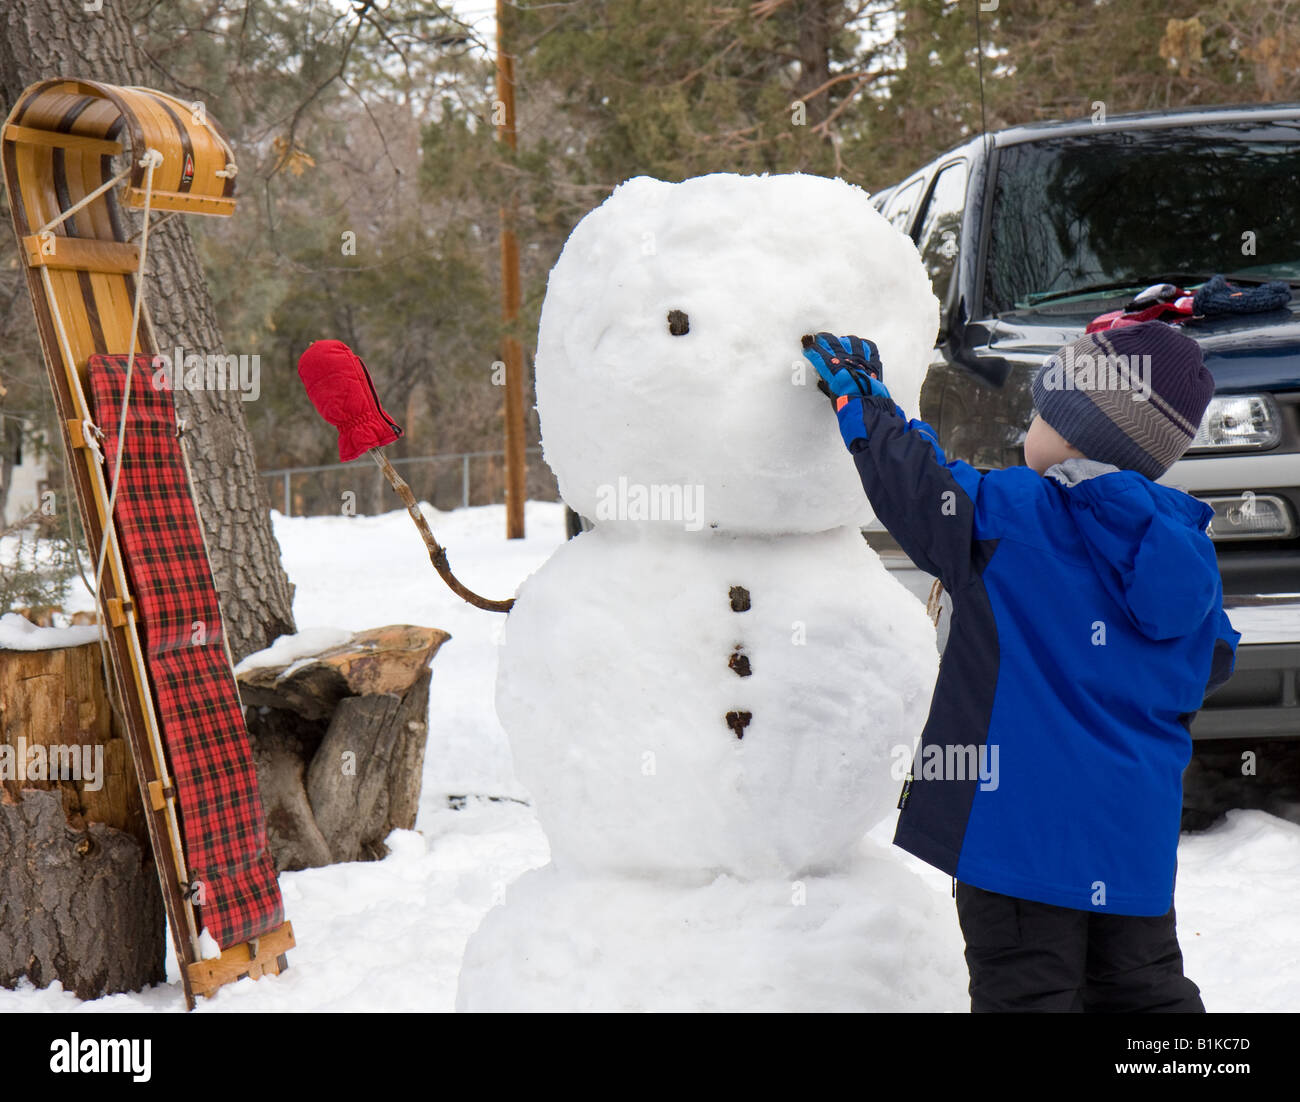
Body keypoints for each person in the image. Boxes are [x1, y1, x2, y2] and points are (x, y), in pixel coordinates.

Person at [802, 321, 1239, 1013]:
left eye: (1040, 413)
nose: (1028, 428)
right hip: (1131, 849)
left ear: (1072, 434)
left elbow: (919, 486)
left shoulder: (1017, 514)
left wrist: (862, 399)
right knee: (1142, 993)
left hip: (1019, 842)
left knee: (1027, 994)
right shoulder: (1186, 545)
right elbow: (1214, 657)